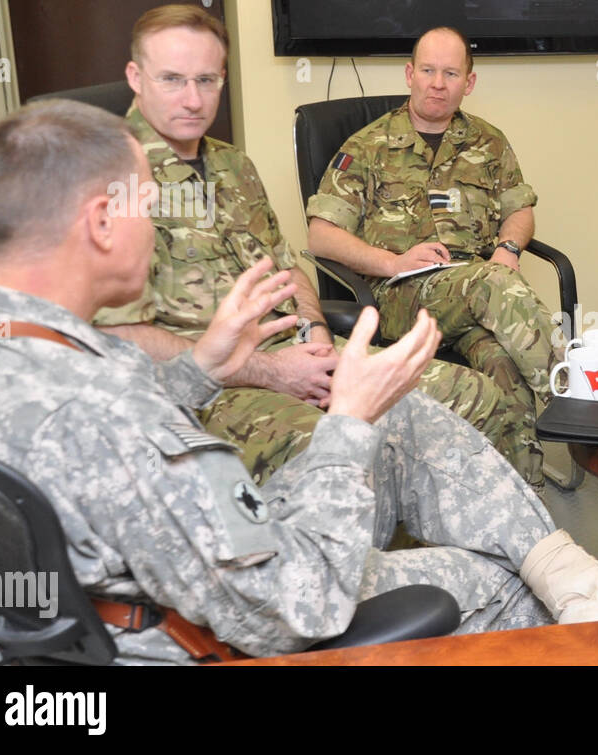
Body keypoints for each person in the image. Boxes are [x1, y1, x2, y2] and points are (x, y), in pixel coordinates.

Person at [0, 99, 598, 664]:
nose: (157, 215)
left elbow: (104, 481)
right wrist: (346, 422)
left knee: (413, 420)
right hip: (215, 620)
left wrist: (205, 369)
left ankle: (588, 582)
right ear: (100, 220)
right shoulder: (98, 412)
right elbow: (294, 602)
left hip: (173, 571)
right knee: (492, 578)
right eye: (146, 204)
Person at [91, 6, 542, 486]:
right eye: (172, 80)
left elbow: (288, 268)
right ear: (135, 77)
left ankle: (506, 550)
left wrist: (316, 340)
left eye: (206, 80)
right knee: (362, 455)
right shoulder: (106, 177)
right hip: (213, 392)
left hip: (298, 355)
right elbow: (118, 339)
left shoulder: (232, 165)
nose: (192, 99)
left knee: (477, 397)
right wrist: (271, 371)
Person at [306, 26, 562, 429]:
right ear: (410, 74)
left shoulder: (489, 142)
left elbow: (520, 208)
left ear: (469, 82)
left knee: (504, 367)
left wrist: (508, 248)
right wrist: (392, 263)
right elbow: (321, 235)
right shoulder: (367, 146)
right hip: (400, 296)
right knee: (492, 283)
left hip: (474, 297)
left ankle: (520, 486)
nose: (438, 84)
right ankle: (579, 396)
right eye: (428, 71)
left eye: (451, 74)